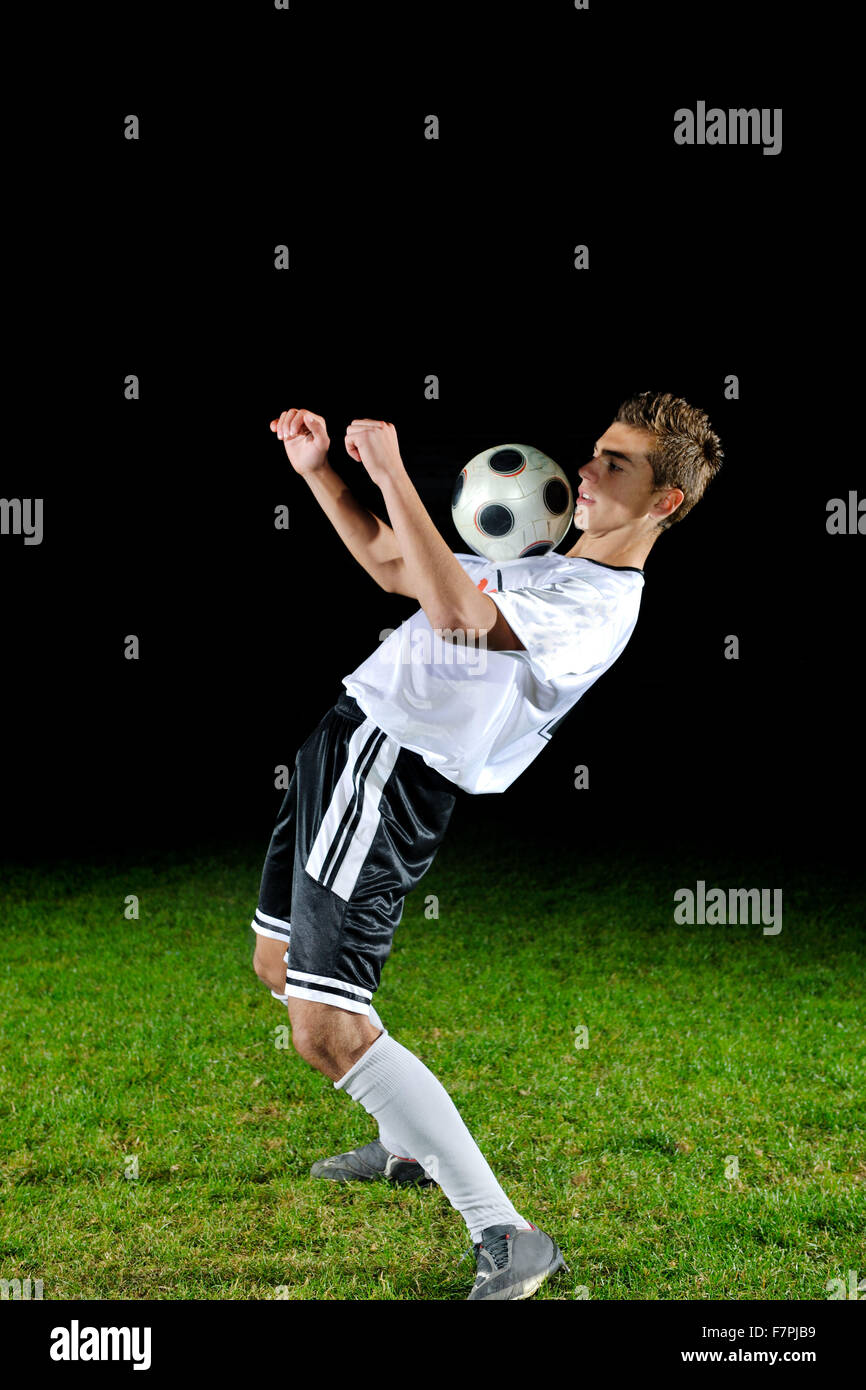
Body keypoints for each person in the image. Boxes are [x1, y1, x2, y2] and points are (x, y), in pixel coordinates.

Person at [250, 392, 723, 1299]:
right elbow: (401, 569)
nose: (584, 471)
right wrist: (323, 475)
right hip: (346, 741)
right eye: (594, 452)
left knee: (323, 1029)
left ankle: (506, 1231)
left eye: (615, 465)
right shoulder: (538, 557)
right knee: (279, 963)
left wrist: (393, 472)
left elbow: (463, 618)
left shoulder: (598, 606)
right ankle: (404, 1148)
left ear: (665, 503)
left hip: (391, 775)